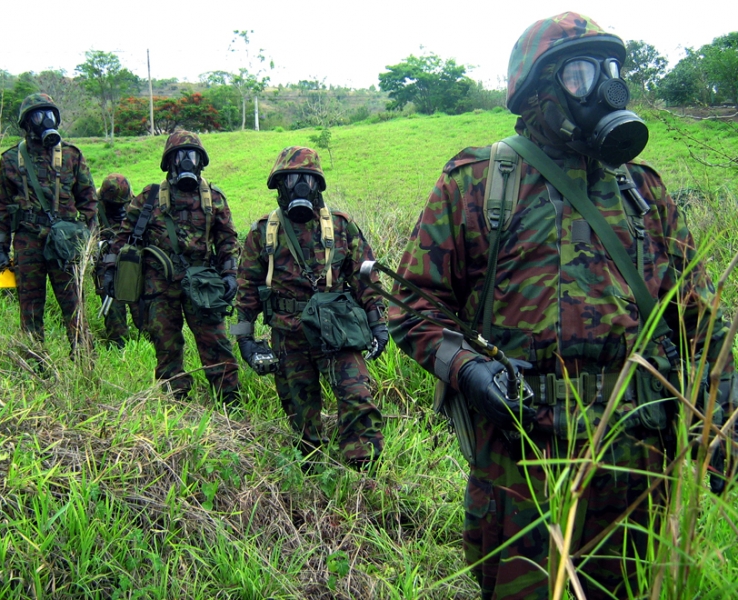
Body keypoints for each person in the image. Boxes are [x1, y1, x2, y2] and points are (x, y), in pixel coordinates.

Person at [388, 12, 736, 599]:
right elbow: (412, 304)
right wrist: (469, 370)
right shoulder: (479, 183)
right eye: (581, 73)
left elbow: (699, 320)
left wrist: (721, 408)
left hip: (637, 460)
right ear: (540, 90)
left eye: (611, 71)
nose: (604, 87)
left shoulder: (643, 191)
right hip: (526, 461)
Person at [232, 146, 389, 468]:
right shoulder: (262, 232)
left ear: (318, 185)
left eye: (306, 179)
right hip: (289, 335)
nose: (298, 186)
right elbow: (245, 291)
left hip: (338, 331)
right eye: (289, 180)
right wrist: (244, 340)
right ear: (278, 186)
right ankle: (313, 470)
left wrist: (378, 323)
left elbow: (366, 279)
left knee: (357, 395)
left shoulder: (342, 226)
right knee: (302, 416)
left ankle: (363, 472)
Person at [103, 131, 240, 404]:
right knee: (166, 345)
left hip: (202, 282)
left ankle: (229, 400)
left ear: (201, 163)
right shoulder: (149, 198)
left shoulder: (214, 198)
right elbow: (123, 236)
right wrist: (110, 271)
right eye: (180, 157)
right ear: (170, 163)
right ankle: (175, 399)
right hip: (159, 284)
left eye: (192, 157)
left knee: (215, 342)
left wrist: (230, 274)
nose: (186, 162)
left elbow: (227, 240)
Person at [0, 92, 96, 357]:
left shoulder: (72, 155)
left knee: (73, 303)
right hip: (28, 240)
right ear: (27, 123)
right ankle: (35, 362)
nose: (45, 121)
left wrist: (86, 240)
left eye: (50, 115)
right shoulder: (10, 160)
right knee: (30, 306)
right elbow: (2, 208)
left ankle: (83, 360)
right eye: (39, 116)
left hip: (64, 242)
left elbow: (89, 202)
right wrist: (1, 250)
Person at [95, 173, 142, 348]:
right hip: (105, 264)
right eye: (116, 206)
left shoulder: (135, 202)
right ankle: (118, 345)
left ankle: (148, 343)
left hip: (131, 262)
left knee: (140, 306)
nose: (121, 209)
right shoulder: (93, 206)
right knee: (114, 311)